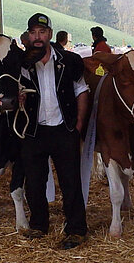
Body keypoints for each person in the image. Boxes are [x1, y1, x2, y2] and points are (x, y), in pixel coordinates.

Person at [19, 13, 91, 249]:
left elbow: (81, 90)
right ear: (29, 36)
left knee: (70, 181)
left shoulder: (70, 60)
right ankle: (39, 225)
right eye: (33, 33)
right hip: (34, 130)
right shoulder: (22, 62)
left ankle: (76, 229)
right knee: (34, 182)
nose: (37, 37)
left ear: (50, 34)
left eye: (42, 32)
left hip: (64, 128)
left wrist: (78, 123)